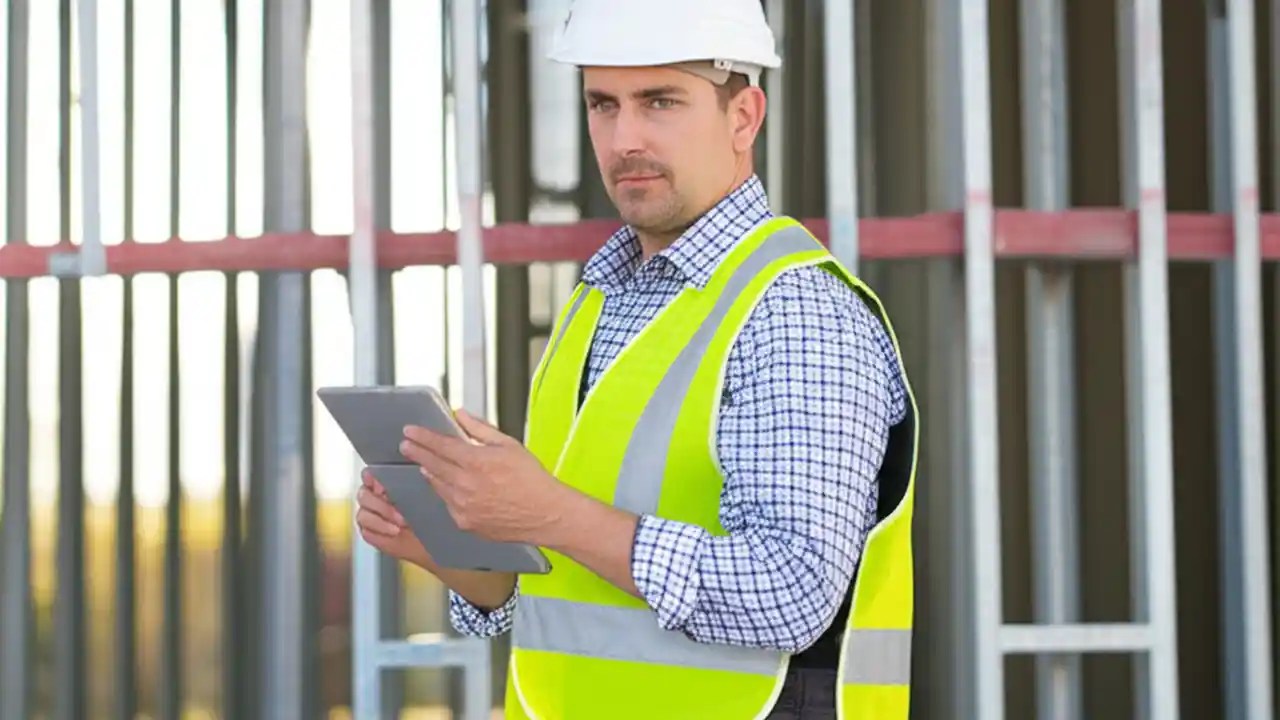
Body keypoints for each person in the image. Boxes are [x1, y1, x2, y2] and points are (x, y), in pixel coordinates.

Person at [355, 0, 919, 717]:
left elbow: (791, 593)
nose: (625, 138)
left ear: (744, 117)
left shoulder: (793, 309)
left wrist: (548, 512)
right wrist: (457, 548)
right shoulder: (597, 301)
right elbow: (574, 587)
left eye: (660, 102)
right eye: (603, 104)